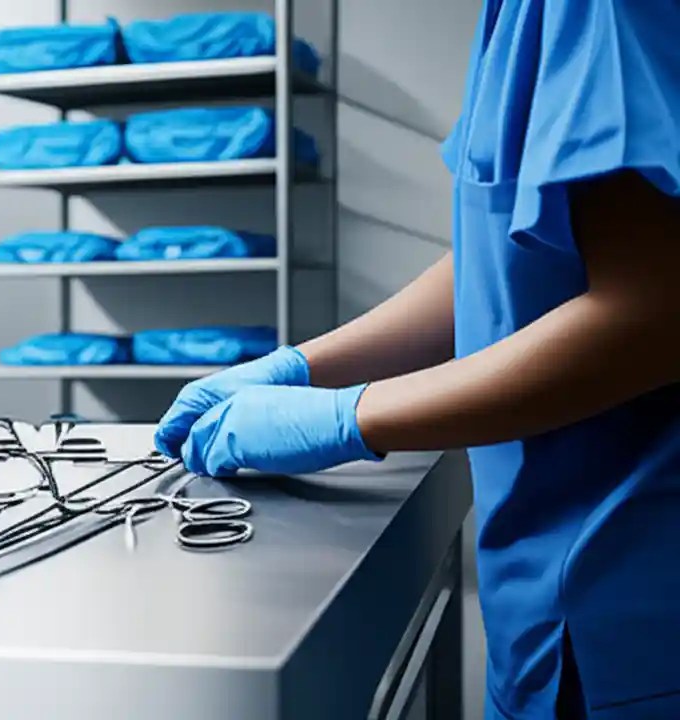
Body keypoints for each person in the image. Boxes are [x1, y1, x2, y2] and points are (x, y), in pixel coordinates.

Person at [152, 2, 680, 718]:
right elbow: (507, 249)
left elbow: (655, 313)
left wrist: (352, 418)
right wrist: (304, 368)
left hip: (630, 613)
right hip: (550, 607)